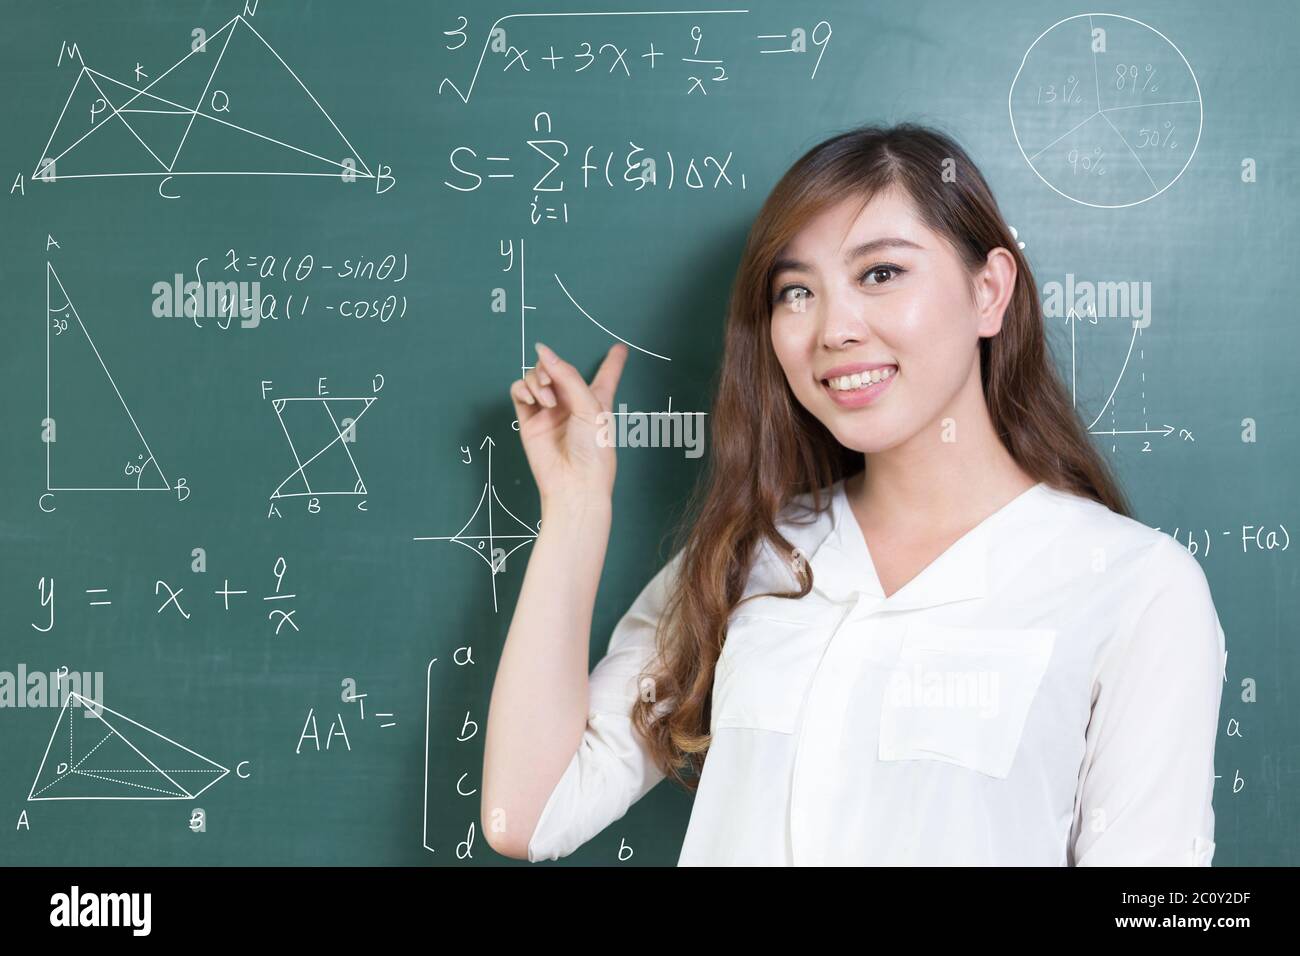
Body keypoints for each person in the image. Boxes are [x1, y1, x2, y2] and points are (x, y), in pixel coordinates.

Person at [480, 123, 1226, 866]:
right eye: (797, 291)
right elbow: (529, 814)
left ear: (989, 290)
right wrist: (576, 508)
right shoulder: (747, 556)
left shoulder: (1135, 587)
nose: (834, 329)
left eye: (880, 274)